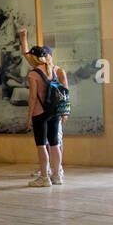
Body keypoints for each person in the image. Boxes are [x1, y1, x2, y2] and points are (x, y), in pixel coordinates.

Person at [26, 46, 68, 187]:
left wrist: (29, 116)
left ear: (34, 58)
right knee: (55, 144)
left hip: (40, 113)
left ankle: (44, 177)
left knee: (42, 145)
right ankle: (56, 176)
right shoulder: (52, 71)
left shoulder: (33, 74)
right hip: (54, 113)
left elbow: (33, 97)